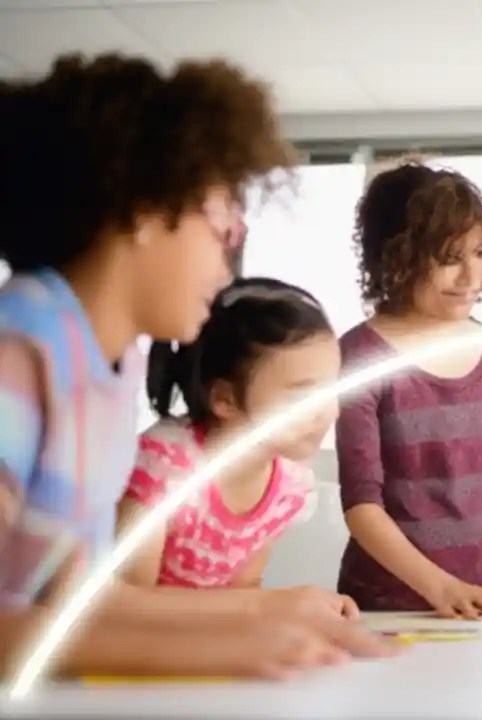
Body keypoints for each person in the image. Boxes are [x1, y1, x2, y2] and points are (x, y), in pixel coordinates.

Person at [0, 53, 391, 680]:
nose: (231, 248)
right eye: (221, 222)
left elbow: (82, 600)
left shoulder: (108, 369)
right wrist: (216, 646)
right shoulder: (19, 351)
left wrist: (267, 617)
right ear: (145, 209)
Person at [336, 160, 482, 621]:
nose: (471, 278)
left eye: (480, 253)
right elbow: (362, 506)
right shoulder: (360, 355)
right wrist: (443, 589)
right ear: (398, 260)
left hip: (474, 606)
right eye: (449, 259)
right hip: (383, 607)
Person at [117, 277, 355, 617]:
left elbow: (244, 590)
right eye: (302, 395)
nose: (327, 412)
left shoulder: (290, 484)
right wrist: (277, 605)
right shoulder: (165, 468)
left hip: (204, 651)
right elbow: (127, 605)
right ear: (225, 400)